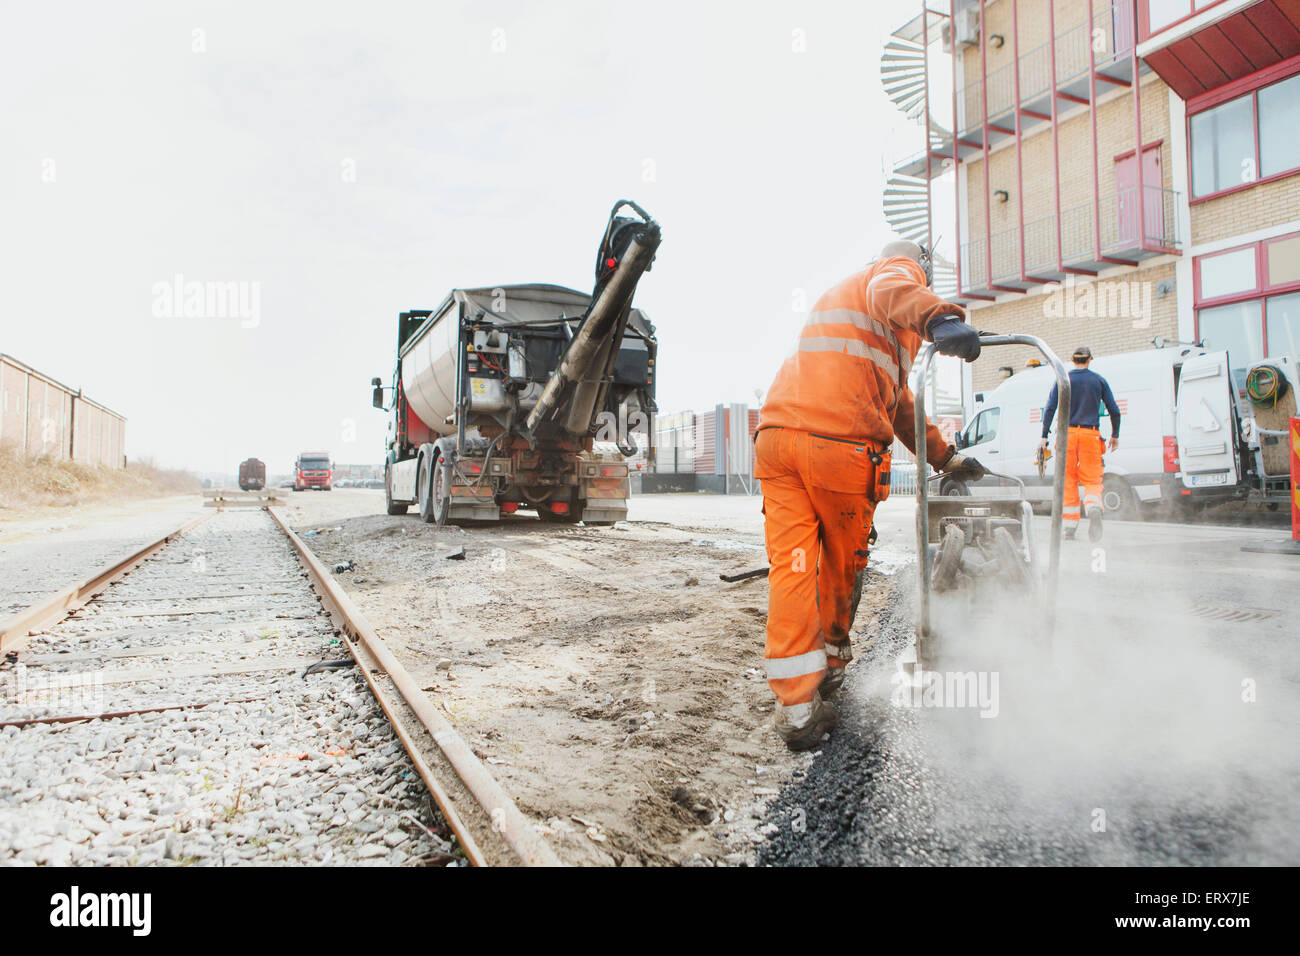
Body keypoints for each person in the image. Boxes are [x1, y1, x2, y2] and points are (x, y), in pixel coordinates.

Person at [755, 239, 985, 751]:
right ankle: (832, 670)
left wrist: (946, 458)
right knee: (842, 564)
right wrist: (940, 318)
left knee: (792, 568)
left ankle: (797, 710)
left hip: (776, 441)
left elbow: (902, 407)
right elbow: (895, 283)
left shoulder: (857, 315)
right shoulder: (891, 276)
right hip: (836, 447)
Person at [1038, 346, 1120, 542]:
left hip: (1067, 435)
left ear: (1071, 359)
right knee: (1092, 481)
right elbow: (1114, 410)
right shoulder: (1098, 380)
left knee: (1067, 481)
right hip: (1090, 436)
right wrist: (1115, 435)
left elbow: (1050, 408)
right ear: (1090, 359)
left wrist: (1044, 436)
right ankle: (1092, 507)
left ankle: (1069, 528)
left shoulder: (1063, 379)